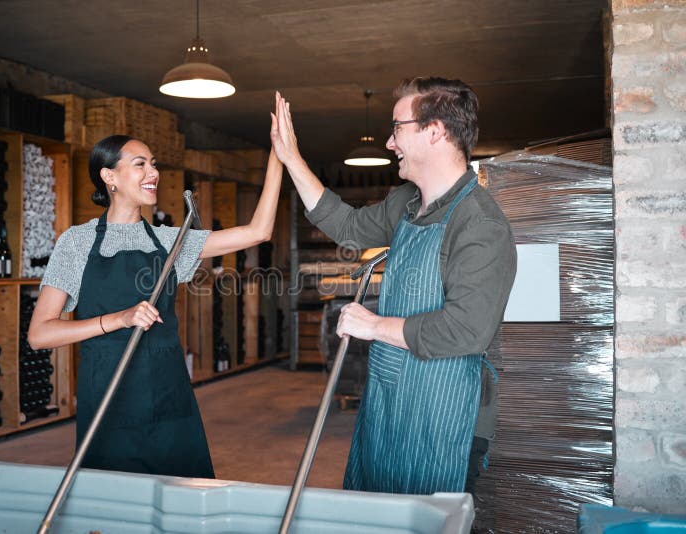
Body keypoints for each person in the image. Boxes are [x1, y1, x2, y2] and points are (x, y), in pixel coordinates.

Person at [269, 78, 517, 495]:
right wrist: (291, 157)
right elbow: (347, 225)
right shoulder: (405, 202)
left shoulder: (479, 224)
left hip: (444, 413)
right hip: (389, 402)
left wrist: (374, 326)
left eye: (397, 128)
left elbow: (466, 331)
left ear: (435, 131)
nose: (389, 142)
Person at [28, 124, 283, 477]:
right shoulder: (77, 242)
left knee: (181, 497)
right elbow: (40, 333)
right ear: (109, 177)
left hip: (169, 392)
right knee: (116, 502)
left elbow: (259, 232)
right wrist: (118, 319)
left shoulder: (170, 241)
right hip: (110, 396)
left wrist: (277, 156)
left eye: (154, 163)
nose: (153, 173)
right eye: (140, 164)